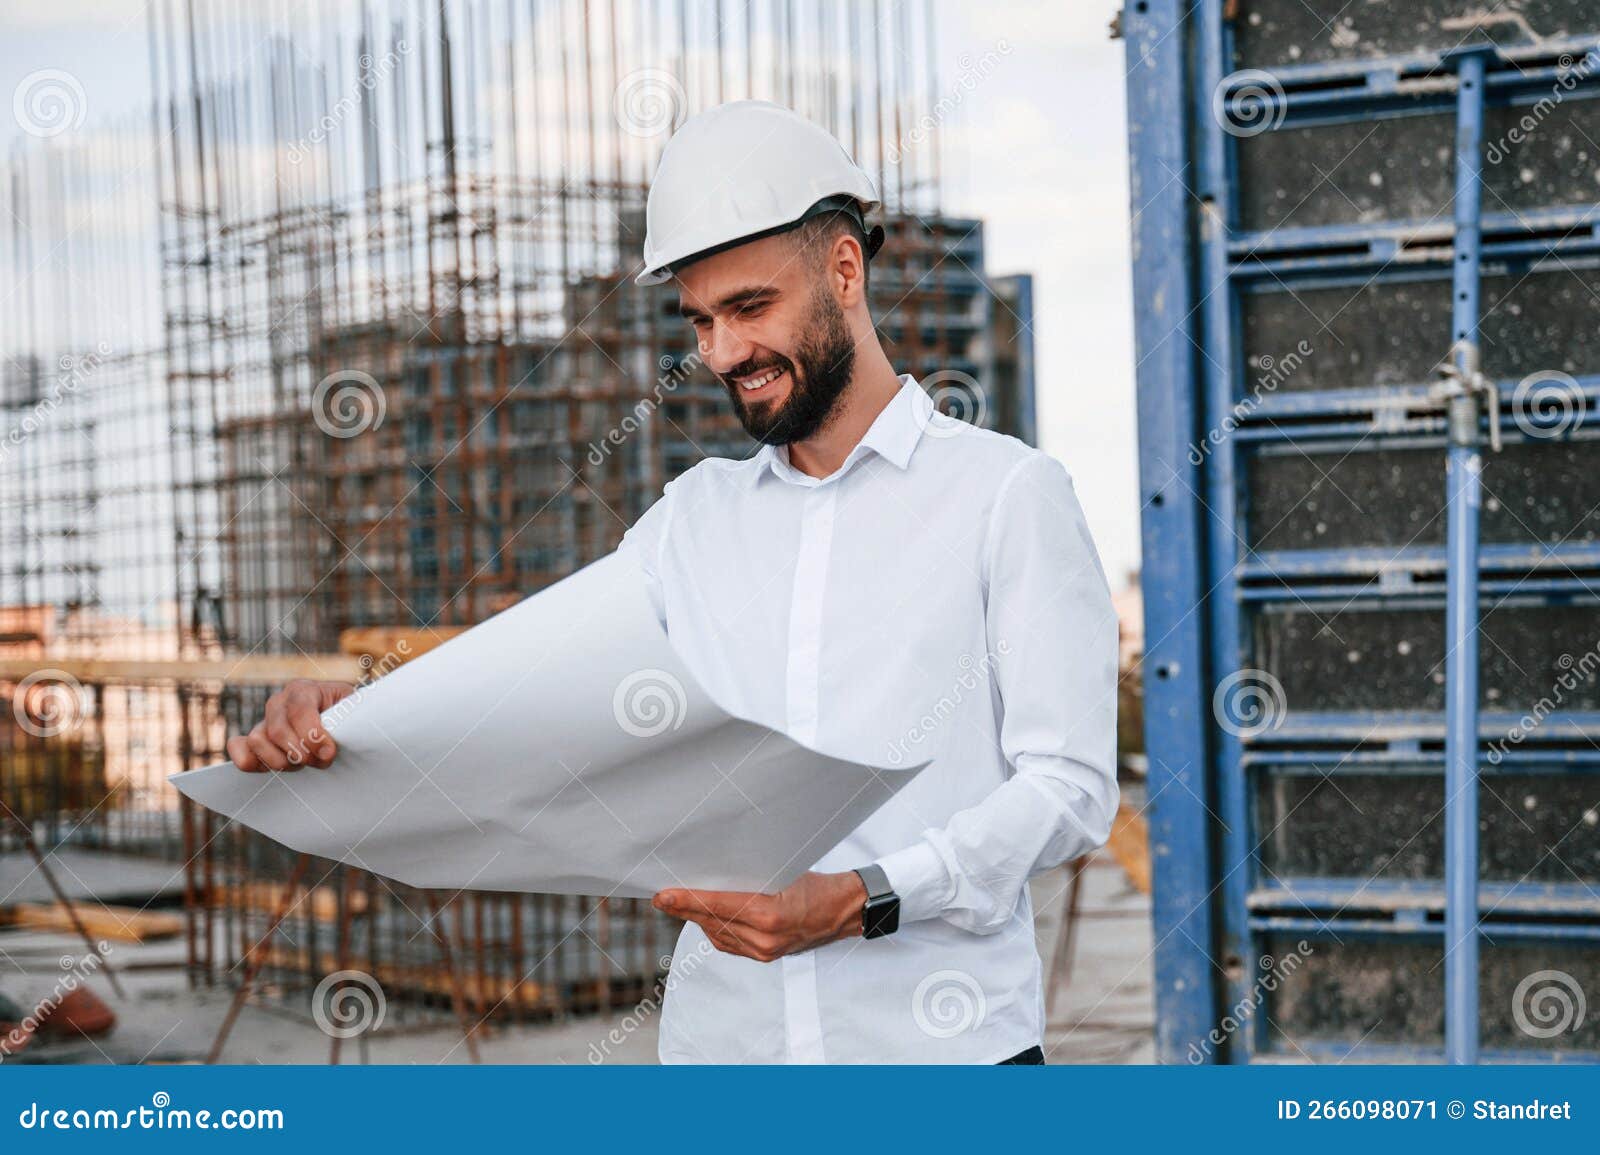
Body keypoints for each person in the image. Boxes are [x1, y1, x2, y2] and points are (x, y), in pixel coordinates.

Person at [226, 100, 1119, 1065]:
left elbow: (1068, 787)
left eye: (748, 308)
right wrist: (356, 717)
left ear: (845, 270)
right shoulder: (692, 521)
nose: (722, 353)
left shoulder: (1005, 496)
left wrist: (869, 895)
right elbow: (537, 687)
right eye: (701, 320)